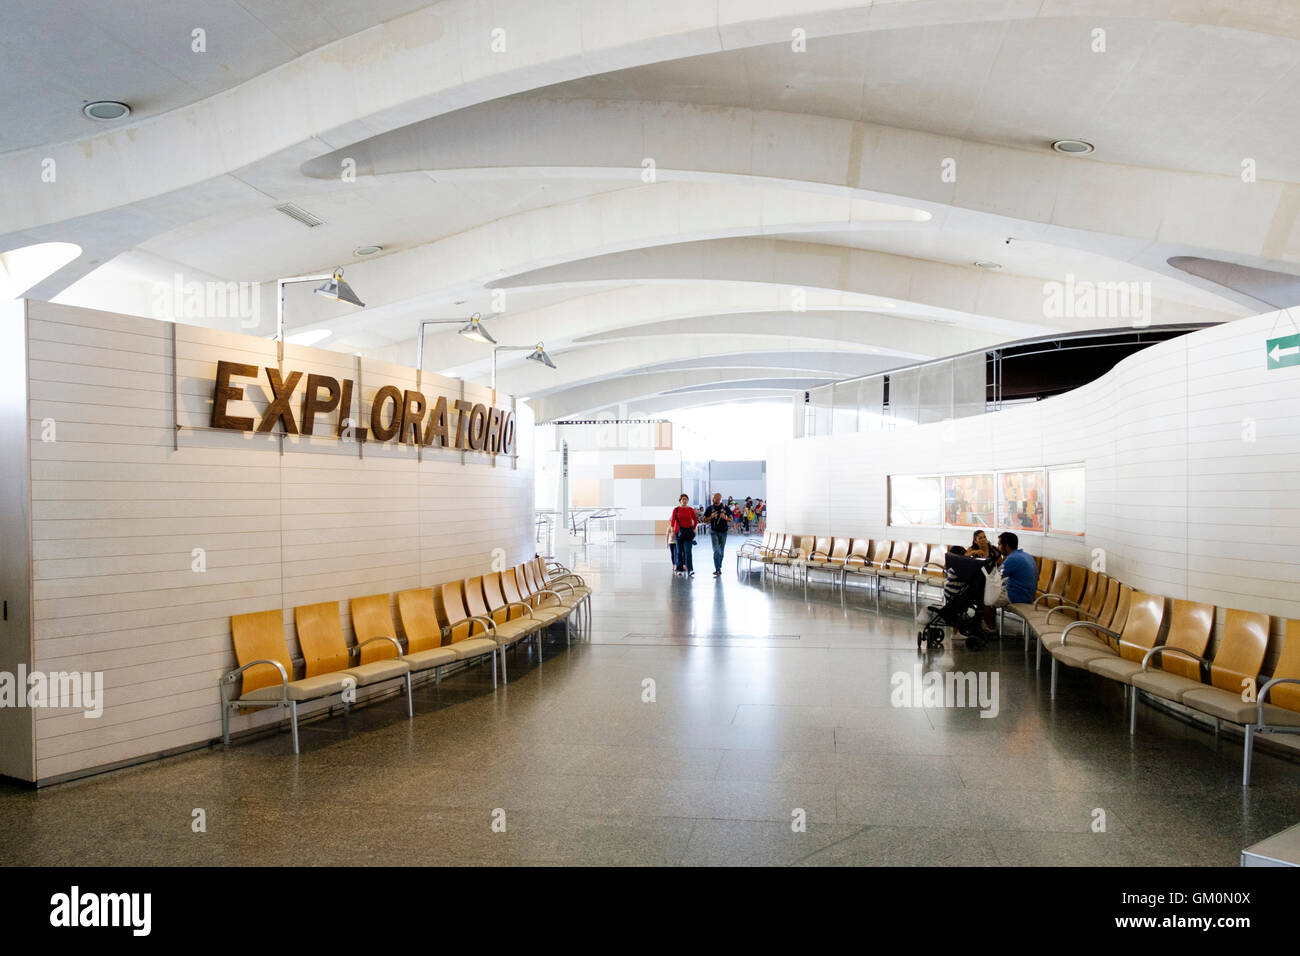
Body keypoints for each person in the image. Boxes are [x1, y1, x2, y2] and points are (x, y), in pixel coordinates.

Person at [997, 531, 1037, 605]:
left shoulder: (1012, 558)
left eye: (999, 544)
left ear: (1007, 546)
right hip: (1030, 596)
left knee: (988, 599)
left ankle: (987, 616)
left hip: (1017, 597)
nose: (997, 547)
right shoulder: (1027, 555)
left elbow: (996, 577)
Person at [701, 492, 733, 577]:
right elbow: (704, 520)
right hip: (714, 532)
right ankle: (717, 569)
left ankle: (719, 567)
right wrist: (711, 517)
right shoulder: (710, 508)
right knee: (716, 551)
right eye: (715, 498)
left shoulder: (725, 508)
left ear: (720, 499)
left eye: (718, 498)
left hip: (723, 532)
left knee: (721, 551)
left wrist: (724, 517)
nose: (716, 499)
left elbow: (731, 519)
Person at [671, 494, 699, 577]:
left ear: (687, 501)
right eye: (683, 499)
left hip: (688, 533)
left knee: (688, 551)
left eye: (686, 499)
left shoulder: (690, 509)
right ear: (680, 500)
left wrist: (694, 528)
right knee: (679, 552)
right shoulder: (676, 510)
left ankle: (690, 570)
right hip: (678, 533)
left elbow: (695, 520)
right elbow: (672, 522)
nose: (684, 501)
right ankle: (679, 569)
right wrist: (672, 532)